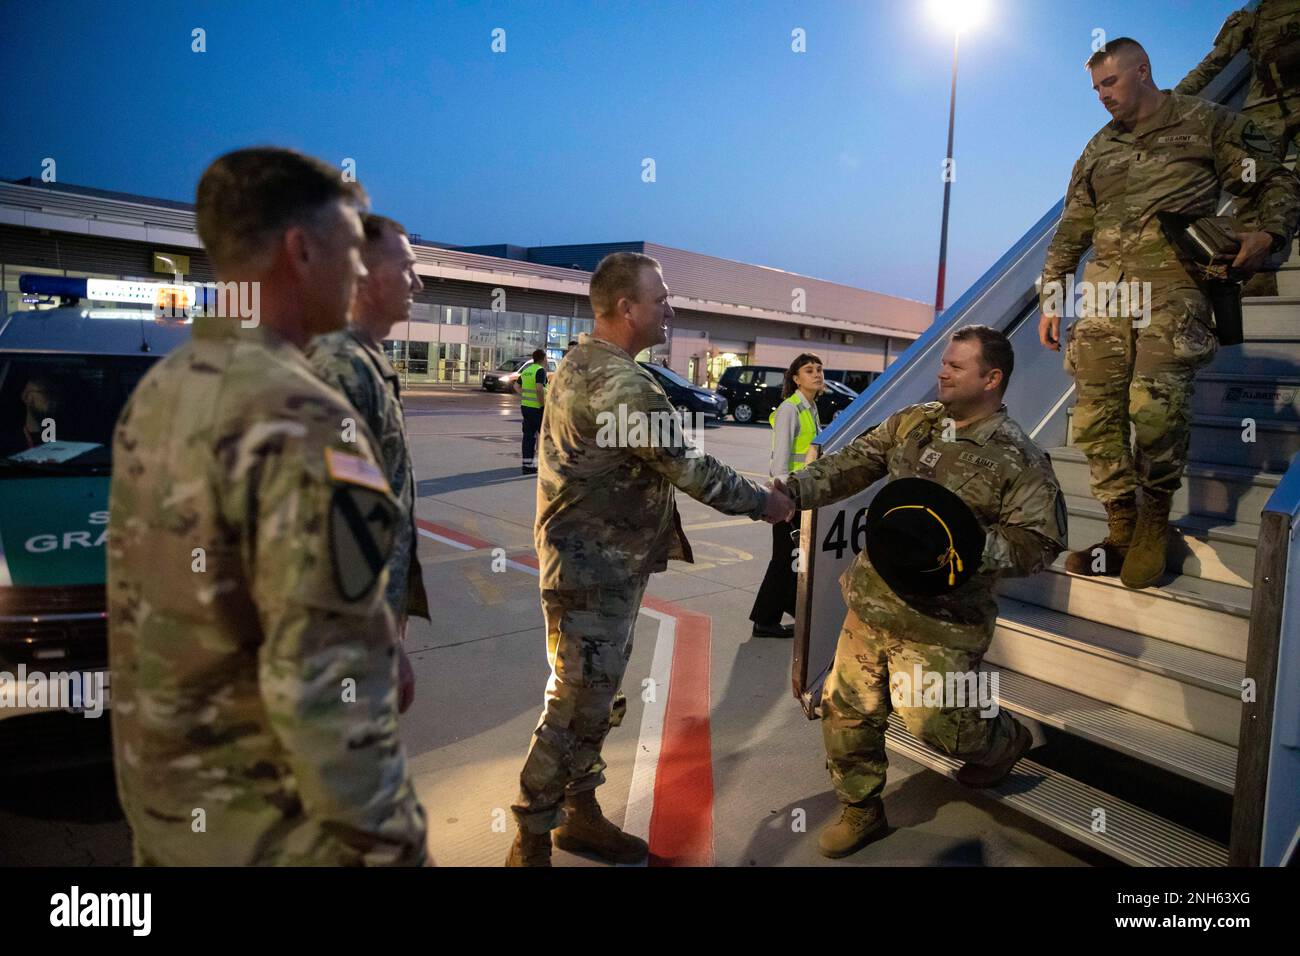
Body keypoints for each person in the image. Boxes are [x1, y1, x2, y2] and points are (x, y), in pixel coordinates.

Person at [106, 147, 427, 866]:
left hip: (171, 812)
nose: (355, 273)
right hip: (273, 831)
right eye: (349, 249)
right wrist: (393, 847)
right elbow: (326, 690)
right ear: (302, 250)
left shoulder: (166, 386)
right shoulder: (298, 417)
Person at [507, 251, 794, 866]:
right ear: (626, 307)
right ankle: (530, 839)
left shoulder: (589, 362)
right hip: (592, 571)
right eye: (661, 298)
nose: (671, 307)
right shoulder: (620, 384)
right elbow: (691, 469)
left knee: (595, 695)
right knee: (576, 701)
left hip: (600, 564)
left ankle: (579, 815)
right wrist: (765, 504)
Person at [775, 326, 1067, 859]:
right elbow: (852, 464)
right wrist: (793, 490)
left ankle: (1005, 740)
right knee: (848, 711)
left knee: (938, 725)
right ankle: (861, 810)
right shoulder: (915, 423)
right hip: (872, 600)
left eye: (957, 366)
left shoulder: (1018, 457)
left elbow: (1039, 541)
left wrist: (961, 551)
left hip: (943, 619)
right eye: (944, 363)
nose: (943, 372)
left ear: (992, 378)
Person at [1038, 37, 1300, 589]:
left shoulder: (1205, 122)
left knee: (1153, 409)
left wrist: (1267, 233)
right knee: (1095, 418)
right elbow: (1072, 227)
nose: (1102, 96)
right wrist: (1052, 296)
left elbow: (1273, 177)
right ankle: (1121, 529)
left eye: (1110, 82)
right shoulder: (1097, 148)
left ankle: (1154, 521)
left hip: (1175, 287)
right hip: (1106, 295)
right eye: (1096, 88)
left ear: (1143, 70)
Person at [307, 213, 430, 714]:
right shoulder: (339, 366)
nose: (417, 282)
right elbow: (335, 520)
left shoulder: (366, 361)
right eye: (406, 268)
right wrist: (381, 640)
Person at [1176, 1, 1300, 296]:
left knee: (1277, 185)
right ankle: (1255, 270)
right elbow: (1215, 62)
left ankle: (1268, 246)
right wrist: (1173, 99)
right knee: (1248, 181)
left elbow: (1212, 63)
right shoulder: (1256, 14)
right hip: (1265, 103)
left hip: (1273, 102)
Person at [749, 352, 824, 638]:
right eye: (809, 370)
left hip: (802, 494)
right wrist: (783, 500)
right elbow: (780, 461)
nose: (816, 374)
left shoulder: (810, 408)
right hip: (788, 496)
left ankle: (788, 609)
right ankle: (765, 621)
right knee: (784, 557)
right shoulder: (790, 410)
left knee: (794, 555)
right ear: (795, 379)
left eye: (819, 369)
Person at [515, 347, 547, 474]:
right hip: (537, 409)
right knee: (547, 438)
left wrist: (525, 396)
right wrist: (542, 405)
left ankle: (527, 466)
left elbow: (516, 386)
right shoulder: (540, 371)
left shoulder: (527, 371)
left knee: (528, 437)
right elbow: (539, 389)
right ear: (543, 359)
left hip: (526, 407)